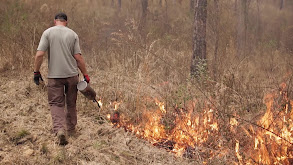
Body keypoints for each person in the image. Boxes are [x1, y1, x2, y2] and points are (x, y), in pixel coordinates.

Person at [33, 12, 90, 145]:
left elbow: (39, 54)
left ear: (55, 21)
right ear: (66, 22)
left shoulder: (47, 33)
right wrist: (85, 75)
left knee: (56, 103)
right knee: (71, 103)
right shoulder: (73, 34)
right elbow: (78, 58)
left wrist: (36, 72)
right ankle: (70, 129)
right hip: (72, 76)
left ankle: (59, 130)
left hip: (55, 76)